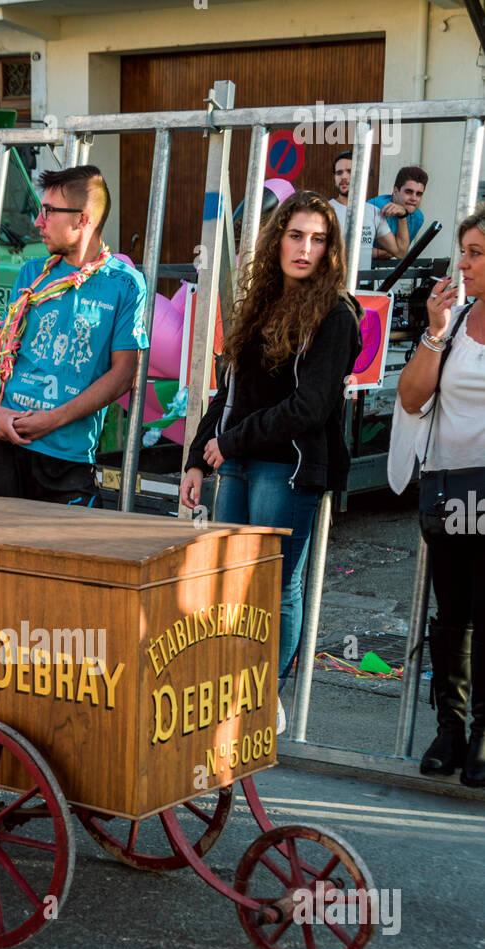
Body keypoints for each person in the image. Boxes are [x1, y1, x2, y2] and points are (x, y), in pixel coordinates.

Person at [179, 191, 363, 731]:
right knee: (231, 583)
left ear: (331, 250)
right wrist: (196, 458)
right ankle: (232, 688)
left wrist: (231, 443)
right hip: (234, 464)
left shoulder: (336, 315)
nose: (306, 249)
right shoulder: (258, 304)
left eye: (319, 239)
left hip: (287, 468)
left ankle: (265, 697)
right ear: (277, 238)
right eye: (296, 235)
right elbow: (225, 393)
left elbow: (309, 408)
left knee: (277, 585)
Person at [0, 164, 148, 506]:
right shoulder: (31, 273)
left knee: (61, 558)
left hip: (66, 460)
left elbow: (124, 375)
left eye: (49, 212)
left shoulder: (125, 284)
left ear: (83, 219)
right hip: (2, 447)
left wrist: (52, 420)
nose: (38, 222)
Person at [396, 203, 485, 786]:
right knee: (452, 615)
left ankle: (484, 730)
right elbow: (409, 398)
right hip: (453, 487)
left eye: (476, 253)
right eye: (465, 251)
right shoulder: (454, 320)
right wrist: (432, 330)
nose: (464, 264)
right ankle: (450, 728)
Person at [329, 150, 390, 272]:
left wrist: (403, 216)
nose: (344, 177)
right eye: (339, 173)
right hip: (333, 285)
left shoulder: (373, 212)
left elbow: (398, 252)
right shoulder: (326, 210)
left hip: (364, 286)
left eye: (350, 172)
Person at [369, 165, 428, 261]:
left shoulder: (418, 217)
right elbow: (352, 248)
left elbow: (401, 253)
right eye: (409, 192)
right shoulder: (376, 208)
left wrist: (402, 216)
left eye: (419, 194)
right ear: (396, 192)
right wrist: (383, 253)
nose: (413, 198)